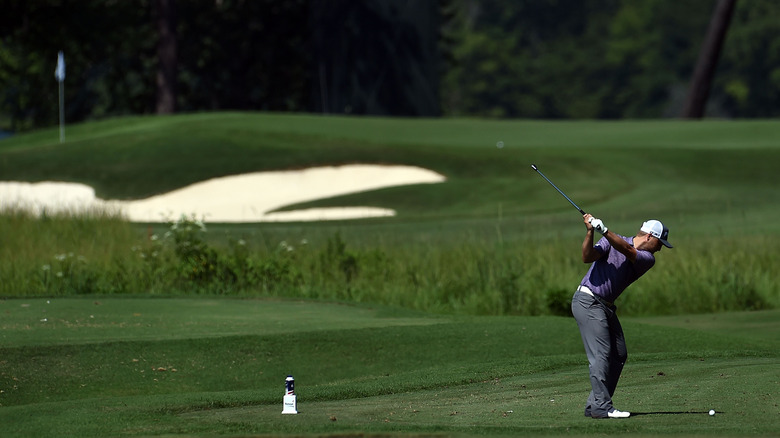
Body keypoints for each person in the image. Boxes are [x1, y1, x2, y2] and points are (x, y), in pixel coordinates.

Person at [571, 214, 672, 419]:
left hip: (605, 307)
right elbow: (586, 257)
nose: (660, 248)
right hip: (588, 301)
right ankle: (602, 407)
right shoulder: (611, 241)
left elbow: (626, 250)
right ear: (650, 237)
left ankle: (594, 404)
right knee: (602, 354)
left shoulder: (646, 259)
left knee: (619, 353)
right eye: (659, 243)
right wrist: (591, 231)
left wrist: (605, 231)